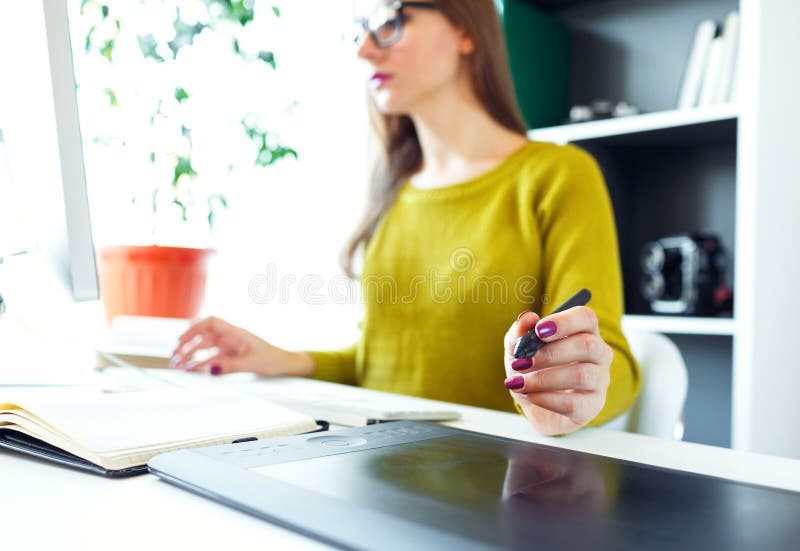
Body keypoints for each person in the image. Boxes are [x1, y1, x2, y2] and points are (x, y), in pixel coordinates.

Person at [171, 0, 640, 436]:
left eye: (392, 20)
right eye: (361, 30)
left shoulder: (560, 176)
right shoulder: (391, 191)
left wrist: (579, 389)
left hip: (498, 486)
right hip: (379, 467)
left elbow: (609, 357)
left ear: (465, 30)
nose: (364, 48)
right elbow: (383, 367)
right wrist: (283, 359)